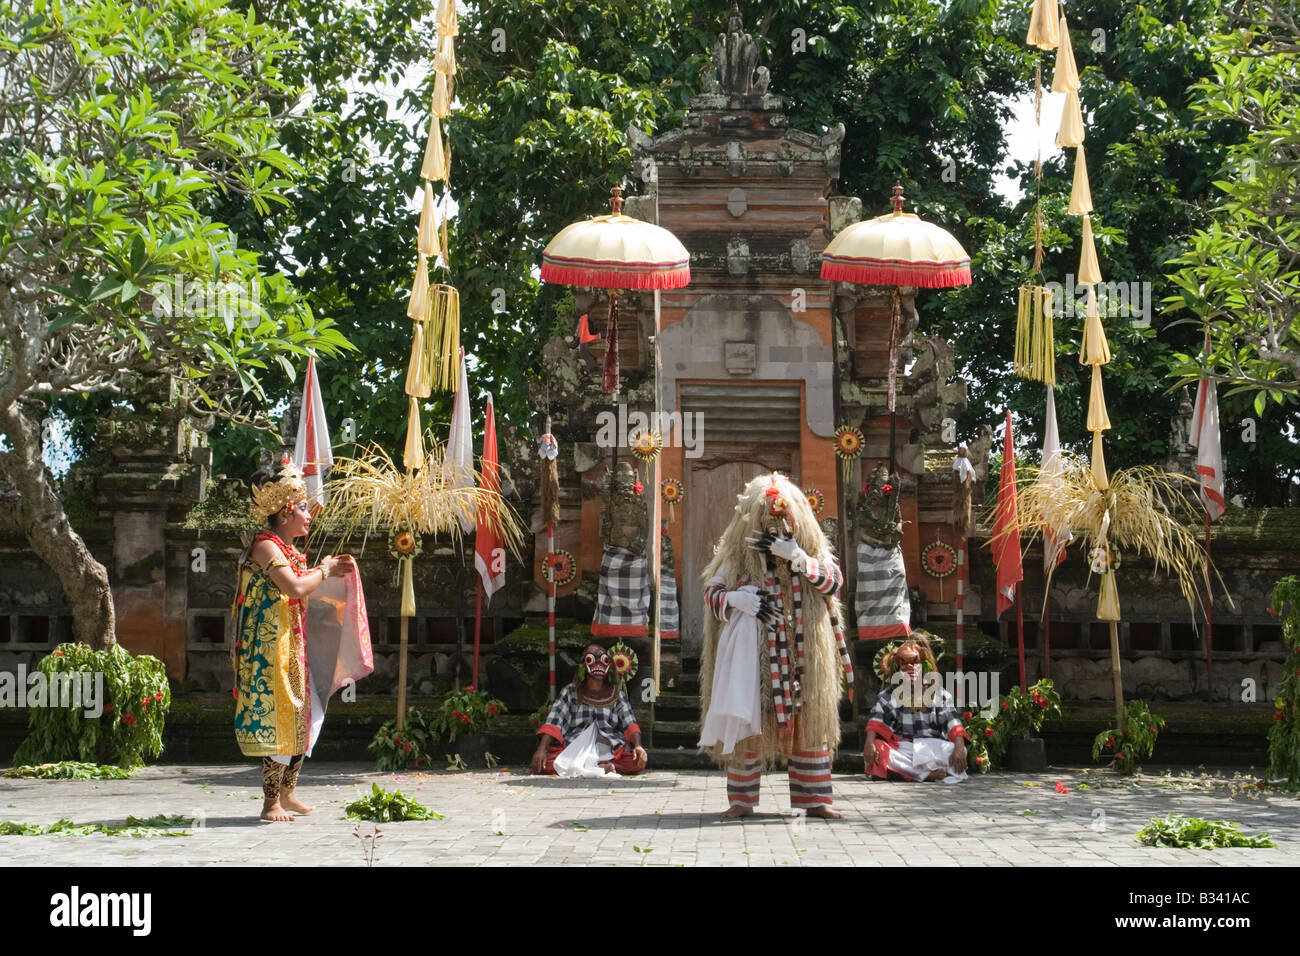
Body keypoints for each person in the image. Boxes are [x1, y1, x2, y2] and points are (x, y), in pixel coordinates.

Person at [698, 473, 853, 818]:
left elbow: (833, 583)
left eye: (782, 524)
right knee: (746, 722)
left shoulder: (812, 551)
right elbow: (712, 592)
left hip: (804, 656)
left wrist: (798, 557)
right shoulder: (736, 557)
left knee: (809, 723)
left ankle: (815, 801)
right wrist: (736, 599)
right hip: (755, 660)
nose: (775, 531)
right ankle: (740, 801)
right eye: (767, 524)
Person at [232, 458, 358, 822]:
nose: (309, 513)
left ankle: (287, 793)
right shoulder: (265, 547)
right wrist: (326, 569)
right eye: (303, 507)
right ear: (285, 513)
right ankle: (270, 801)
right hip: (268, 649)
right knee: (283, 716)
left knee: (309, 716)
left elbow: (306, 594)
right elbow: (296, 587)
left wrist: (343, 590)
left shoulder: (291, 552)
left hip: (291, 644)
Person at [530, 643, 648, 776]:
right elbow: (554, 722)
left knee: (635, 762)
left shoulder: (617, 694)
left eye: (603, 660)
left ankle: (591, 767)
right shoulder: (570, 691)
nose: (598, 664)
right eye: (591, 660)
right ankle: (600, 768)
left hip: (609, 748)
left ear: (609, 666)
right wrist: (541, 749)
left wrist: (638, 746)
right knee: (548, 763)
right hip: (576, 747)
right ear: (583, 666)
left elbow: (630, 724)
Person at [862, 637, 969, 782]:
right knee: (878, 749)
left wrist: (959, 747)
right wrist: (869, 744)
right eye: (904, 664)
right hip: (905, 750)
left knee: (953, 749)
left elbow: (953, 723)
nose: (910, 668)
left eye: (915, 663)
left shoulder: (939, 694)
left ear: (924, 666)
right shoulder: (889, 695)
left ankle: (911, 774)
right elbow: (876, 720)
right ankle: (925, 774)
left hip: (932, 749)